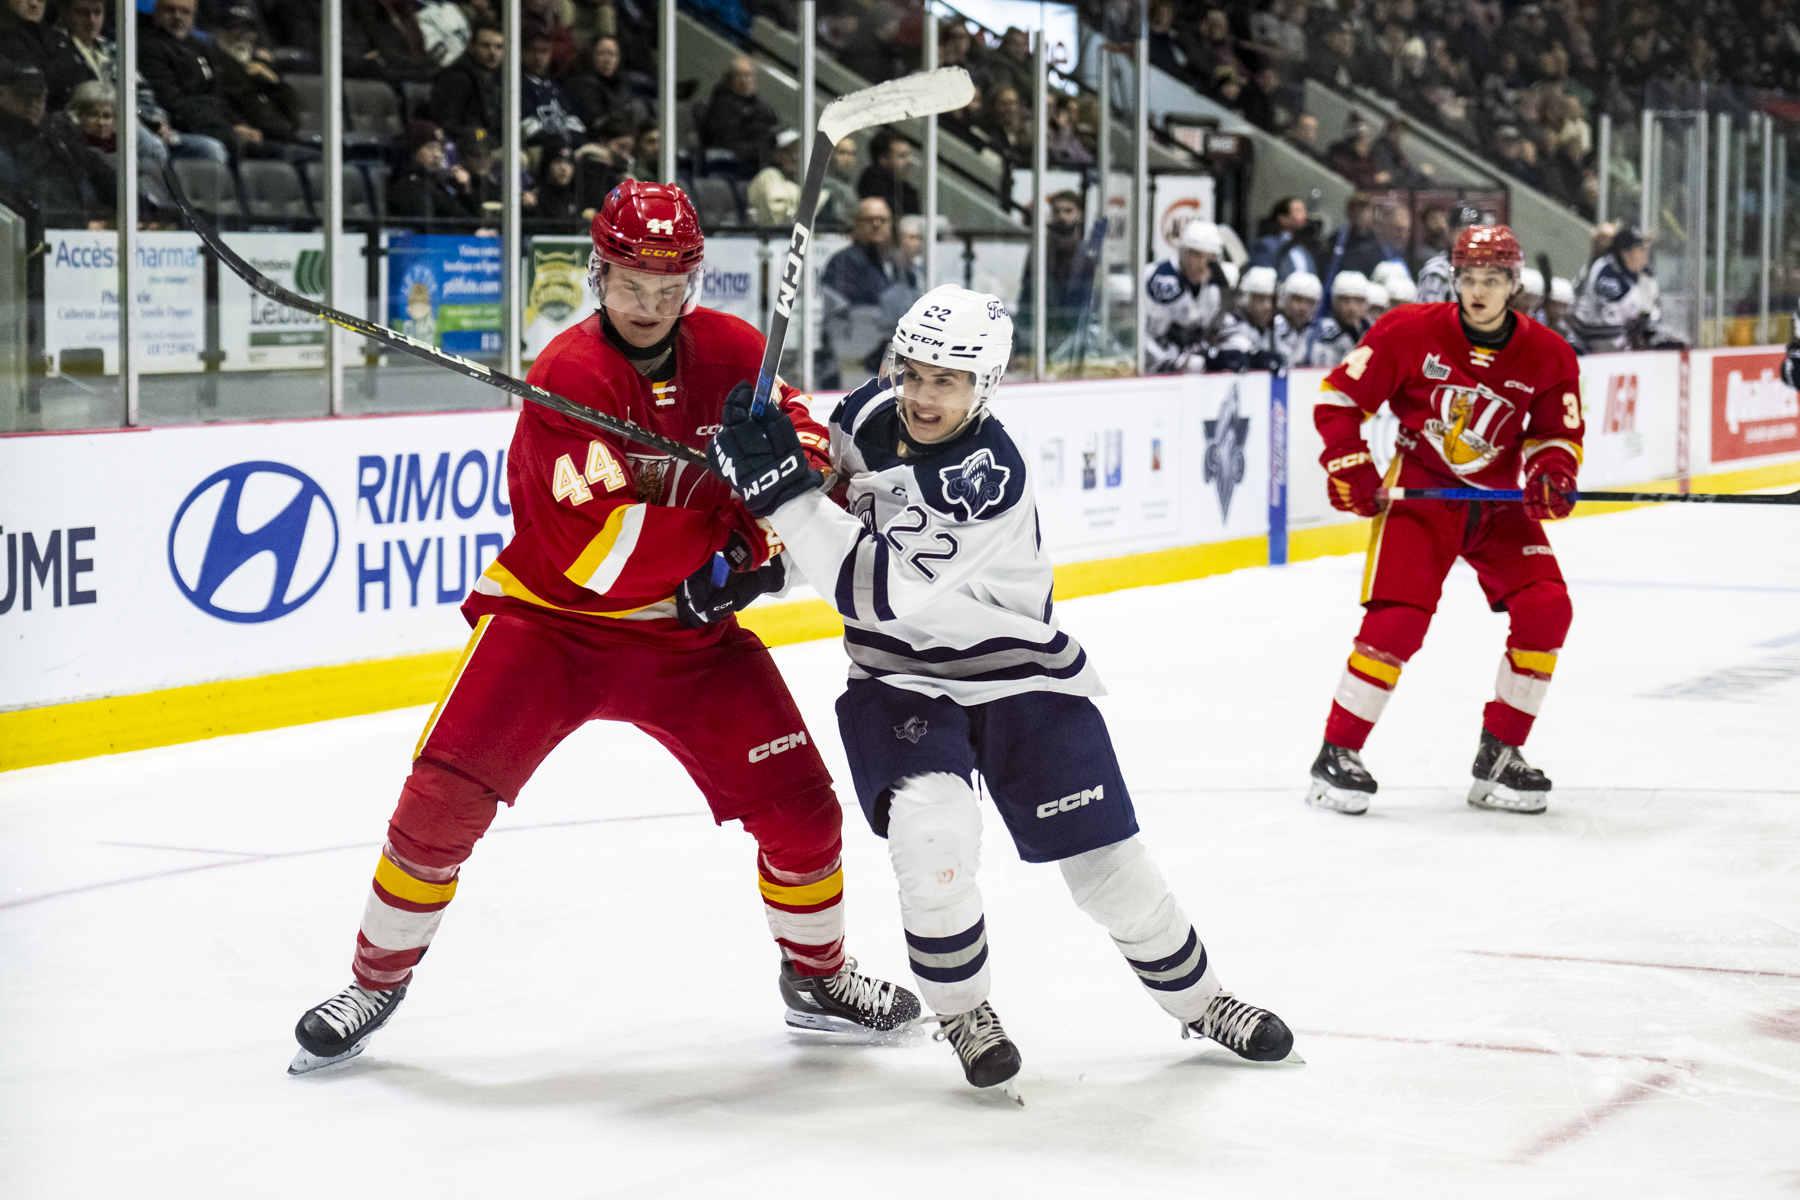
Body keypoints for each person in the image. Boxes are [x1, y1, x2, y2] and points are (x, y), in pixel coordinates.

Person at [289, 181, 920, 1076]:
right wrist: (725, 552)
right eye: (631, 285)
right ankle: (375, 979)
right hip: (555, 627)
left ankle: (816, 976)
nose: (651, 306)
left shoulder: (735, 350)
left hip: (689, 644)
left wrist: (777, 484)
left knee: (803, 810)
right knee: (441, 800)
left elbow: (809, 446)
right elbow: (595, 549)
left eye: (670, 289)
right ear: (600, 272)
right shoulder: (567, 378)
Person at [703, 285, 1297, 1100]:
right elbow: (835, 521)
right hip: (900, 679)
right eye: (911, 372)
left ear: (985, 386)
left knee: (1108, 868)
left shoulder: (987, 476)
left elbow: (873, 589)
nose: (921, 395)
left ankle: (1203, 1001)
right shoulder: (867, 417)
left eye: (945, 382)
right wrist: (763, 559)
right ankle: (965, 1014)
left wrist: (783, 494)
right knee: (931, 832)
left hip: (1018, 675)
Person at [1304, 226, 1582, 817]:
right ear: (1455, 281)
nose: (1478, 292)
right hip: (1422, 499)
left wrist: (1552, 474)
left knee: (1547, 608)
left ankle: (1500, 755)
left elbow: (1557, 434)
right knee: (1397, 623)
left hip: (1499, 506)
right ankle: (1337, 753)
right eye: (1469, 280)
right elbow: (1337, 401)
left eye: (1492, 280)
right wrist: (1351, 463)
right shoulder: (1409, 330)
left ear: (1515, 284)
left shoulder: (1549, 353)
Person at [139, 0, 263, 158]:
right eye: (170, 10)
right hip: (182, 128)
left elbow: (218, 98)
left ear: (193, 17)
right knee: (215, 150)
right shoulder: (148, 47)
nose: (177, 16)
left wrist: (239, 124)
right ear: (156, 13)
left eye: (185, 12)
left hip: (214, 126)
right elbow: (171, 102)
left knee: (273, 152)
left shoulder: (200, 48)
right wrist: (228, 129)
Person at [0, 63, 111, 227]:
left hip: (86, 234)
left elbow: (97, 169)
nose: (32, 103)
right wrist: (80, 224)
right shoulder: (6, 141)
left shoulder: (58, 129)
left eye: (38, 96)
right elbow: (20, 201)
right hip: (39, 239)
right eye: (23, 96)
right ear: (2, 94)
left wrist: (138, 209)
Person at [1144, 219, 1244, 373]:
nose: (1202, 263)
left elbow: (1222, 329)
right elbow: (1143, 337)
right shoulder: (1160, 280)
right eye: (1196, 255)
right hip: (1153, 375)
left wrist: (1236, 349)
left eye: (1210, 258)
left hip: (1191, 373)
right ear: (1182, 251)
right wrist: (1171, 363)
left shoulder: (1214, 287)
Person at [1569, 225, 1685, 354]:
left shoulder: (1645, 276)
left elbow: (1651, 320)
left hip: (1618, 349)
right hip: (1587, 349)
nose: (1645, 253)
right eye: (1640, 249)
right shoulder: (1606, 271)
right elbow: (1608, 334)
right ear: (1625, 253)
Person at [386, 121, 482, 224]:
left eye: (440, 148)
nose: (437, 154)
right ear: (414, 151)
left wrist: (465, 190)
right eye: (430, 147)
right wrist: (471, 232)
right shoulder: (408, 187)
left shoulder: (440, 182)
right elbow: (428, 229)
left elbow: (469, 219)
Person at [698, 55, 778, 178]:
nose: (744, 80)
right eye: (739, 75)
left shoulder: (763, 109)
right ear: (730, 79)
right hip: (734, 169)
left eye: (748, 75)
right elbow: (727, 142)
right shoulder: (720, 107)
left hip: (760, 166)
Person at [561, 35, 650, 136]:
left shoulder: (623, 83)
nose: (607, 60)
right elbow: (595, 123)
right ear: (592, 56)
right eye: (602, 53)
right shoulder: (581, 85)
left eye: (612, 54)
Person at [430, 22, 504, 141]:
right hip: (469, 149)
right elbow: (448, 127)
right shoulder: (455, 78)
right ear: (470, 46)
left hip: (494, 144)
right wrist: (483, 135)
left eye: (499, 47)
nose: (493, 52)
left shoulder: (504, 77)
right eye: (485, 46)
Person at [821, 196, 898, 307]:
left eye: (883, 220)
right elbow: (845, 310)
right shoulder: (842, 262)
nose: (876, 224)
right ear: (856, 223)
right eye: (869, 219)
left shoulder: (897, 263)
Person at [344, 0, 440, 84]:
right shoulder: (358, 7)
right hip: (376, 80)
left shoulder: (403, 9)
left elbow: (418, 53)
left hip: (412, 76)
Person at [520, 29, 583, 146]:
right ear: (522, 53)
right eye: (532, 50)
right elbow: (526, 128)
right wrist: (557, 144)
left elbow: (572, 119)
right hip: (539, 148)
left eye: (544, 51)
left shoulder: (555, 87)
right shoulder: (518, 86)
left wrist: (576, 143)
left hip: (562, 146)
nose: (538, 57)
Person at [1414, 203, 1482, 303]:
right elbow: (1432, 315)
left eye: (1476, 232)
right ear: (1449, 232)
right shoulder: (1437, 271)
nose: (1470, 237)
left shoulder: (1488, 270)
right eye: (1462, 231)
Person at [1307, 270, 1371, 367]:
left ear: (1366, 304)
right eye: (1345, 300)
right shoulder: (1317, 333)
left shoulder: (1373, 334)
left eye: (1358, 301)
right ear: (1334, 302)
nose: (1352, 307)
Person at [856, 127, 920, 217]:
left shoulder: (905, 190)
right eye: (902, 156)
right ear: (883, 159)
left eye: (908, 155)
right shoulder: (874, 186)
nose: (908, 162)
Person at [1250, 196, 1316, 281]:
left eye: (1304, 211)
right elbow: (1262, 284)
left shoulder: (1304, 250)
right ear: (1283, 219)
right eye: (1298, 211)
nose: (1305, 216)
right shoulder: (1266, 246)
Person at [747, 128, 802, 227]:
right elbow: (779, 218)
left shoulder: (798, 179)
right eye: (787, 152)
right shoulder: (769, 176)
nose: (794, 157)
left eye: (797, 151)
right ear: (774, 154)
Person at [1272, 270, 1322, 366]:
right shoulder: (1272, 329)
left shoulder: (1321, 332)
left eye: (1309, 302)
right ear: (1284, 299)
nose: (1303, 307)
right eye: (1297, 299)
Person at [818, 135, 859, 230]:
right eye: (842, 152)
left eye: (852, 154)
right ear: (830, 156)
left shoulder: (850, 185)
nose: (848, 158)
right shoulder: (825, 186)